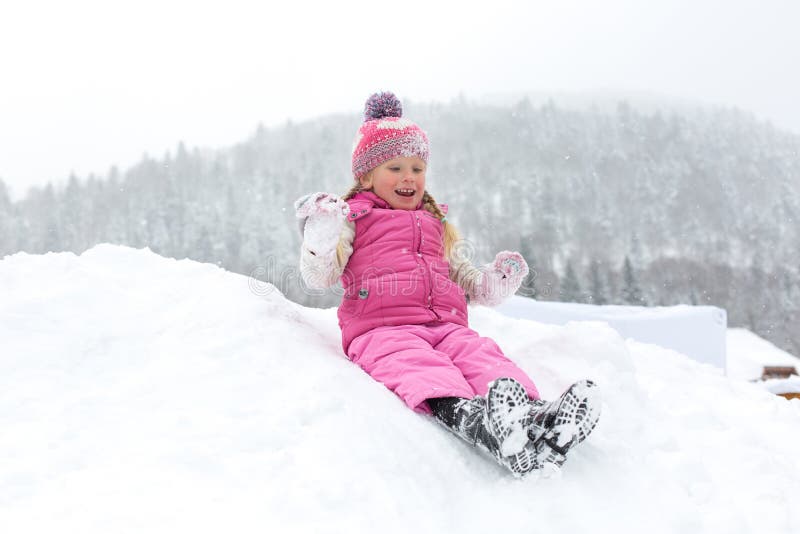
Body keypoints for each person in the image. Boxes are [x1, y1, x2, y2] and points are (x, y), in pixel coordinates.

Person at [295, 91, 600, 477]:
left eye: (417, 168)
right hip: (383, 329)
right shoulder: (353, 217)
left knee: (483, 357)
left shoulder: (436, 222)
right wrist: (320, 239)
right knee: (419, 365)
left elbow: (464, 276)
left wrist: (494, 283)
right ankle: (477, 421)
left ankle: (534, 417)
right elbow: (319, 276)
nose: (409, 177)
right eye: (395, 168)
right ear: (367, 176)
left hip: (447, 326)